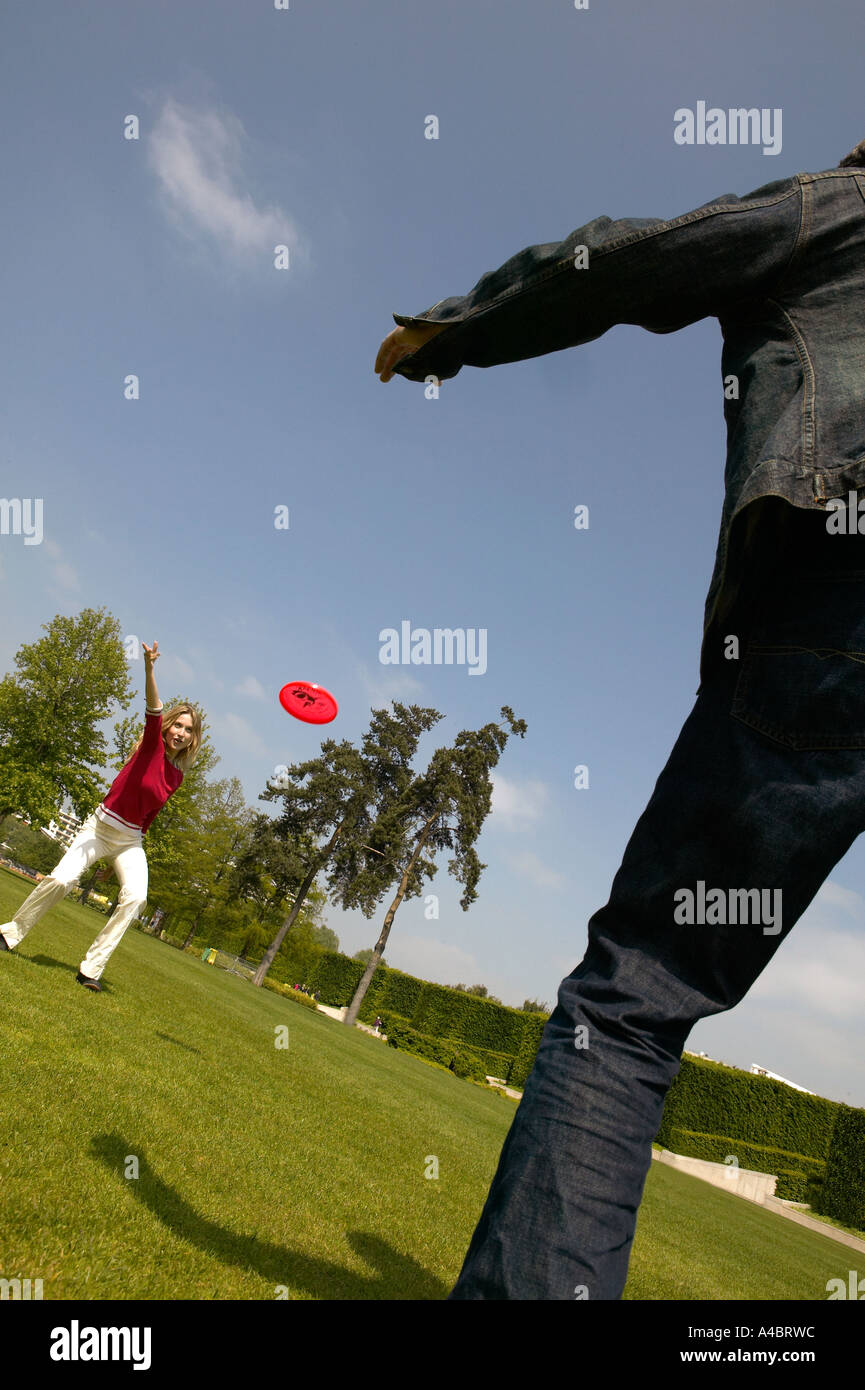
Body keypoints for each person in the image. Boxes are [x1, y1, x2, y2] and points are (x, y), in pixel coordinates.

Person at [375, 140, 865, 1300]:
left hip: (828, 623)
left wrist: (452, 327)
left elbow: (633, 259)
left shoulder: (842, 208)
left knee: (635, 999)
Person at [0, 642, 201, 992]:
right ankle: (8, 935)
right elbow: (153, 708)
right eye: (178, 725)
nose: (180, 733)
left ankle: (90, 969)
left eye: (188, 730)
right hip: (99, 827)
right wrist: (150, 668)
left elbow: (150, 814)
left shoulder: (177, 777)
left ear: (192, 740)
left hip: (130, 840)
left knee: (136, 897)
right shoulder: (152, 744)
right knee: (62, 881)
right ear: (169, 728)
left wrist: (117, 861)